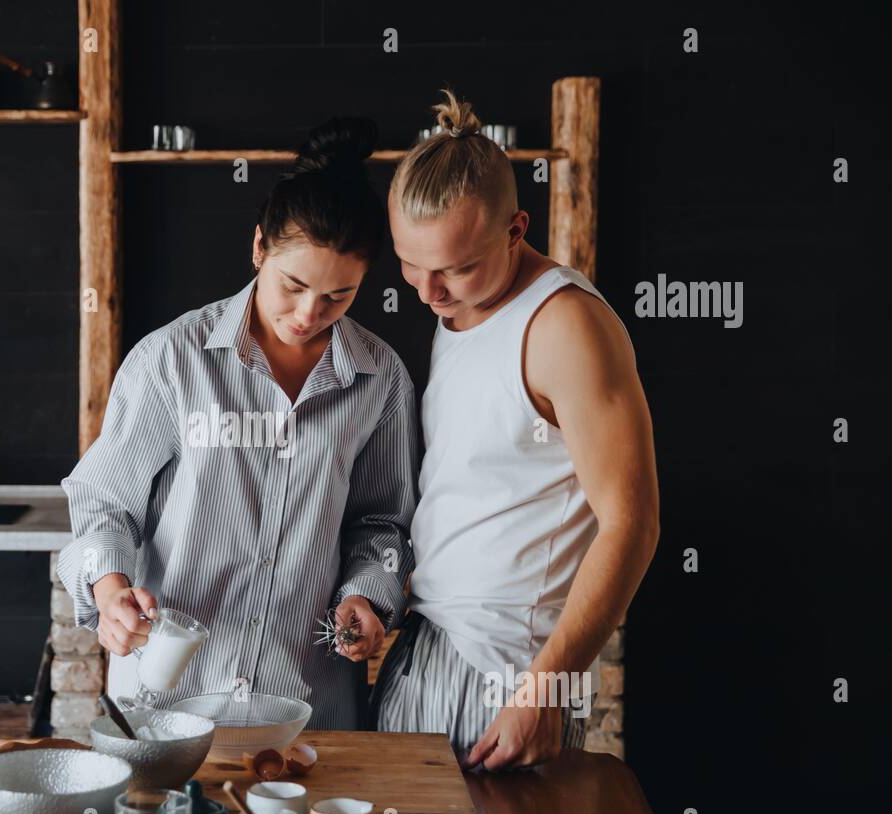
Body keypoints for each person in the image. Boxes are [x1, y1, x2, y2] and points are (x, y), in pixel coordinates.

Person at [57, 118, 419, 729]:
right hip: (167, 704)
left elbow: (381, 524)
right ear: (259, 248)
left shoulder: (380, 379)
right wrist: (110, 588)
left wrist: (366, 593)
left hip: (306, 705)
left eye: (339, 296)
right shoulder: (171, 360)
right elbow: (104, 502)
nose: (309, 314)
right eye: (293, 284)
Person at [371, 91, 660, 769]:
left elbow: (633, 523)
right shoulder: (458, 310)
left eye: (457, 267)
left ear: (516, 228)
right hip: (425, 649)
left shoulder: (565, 326)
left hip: (507, 676)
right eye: (411, 263)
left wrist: (547, 688)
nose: (429, 292)